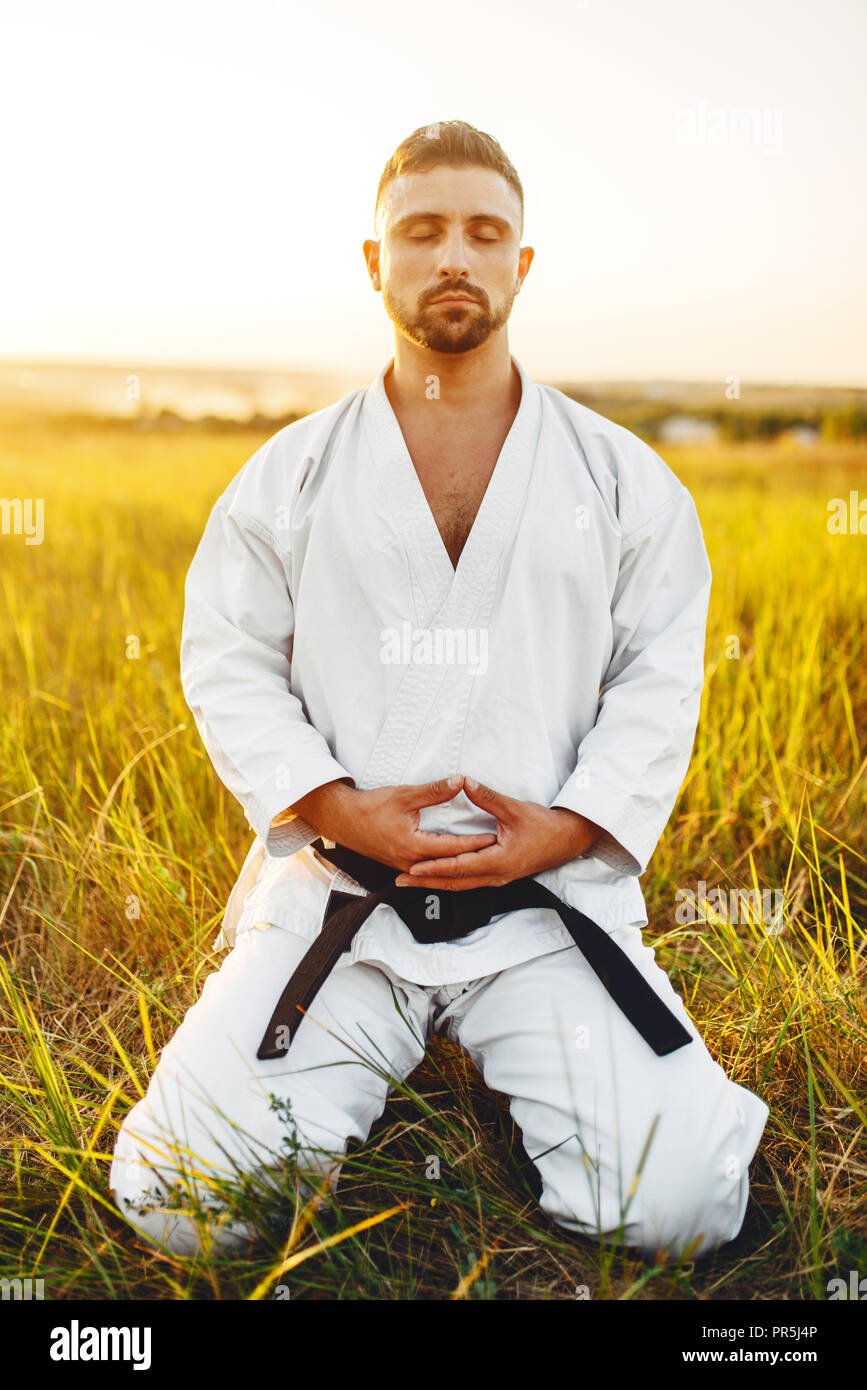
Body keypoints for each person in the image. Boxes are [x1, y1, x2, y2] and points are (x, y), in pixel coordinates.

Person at [110, 119, 769, 1262]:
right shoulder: (293, 473)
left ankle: (529, 1048)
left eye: (484, 231)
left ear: (523, 262)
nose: (453, 254)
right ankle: (331, 1039)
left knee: (686, 1206)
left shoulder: (625, 482)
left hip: (546, 907)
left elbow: (660, 681)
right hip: (346, 897)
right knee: (182, 1202)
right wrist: (330, 803)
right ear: (376, 261)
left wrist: (564, 828)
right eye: (421, 230)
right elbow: (226, 658)